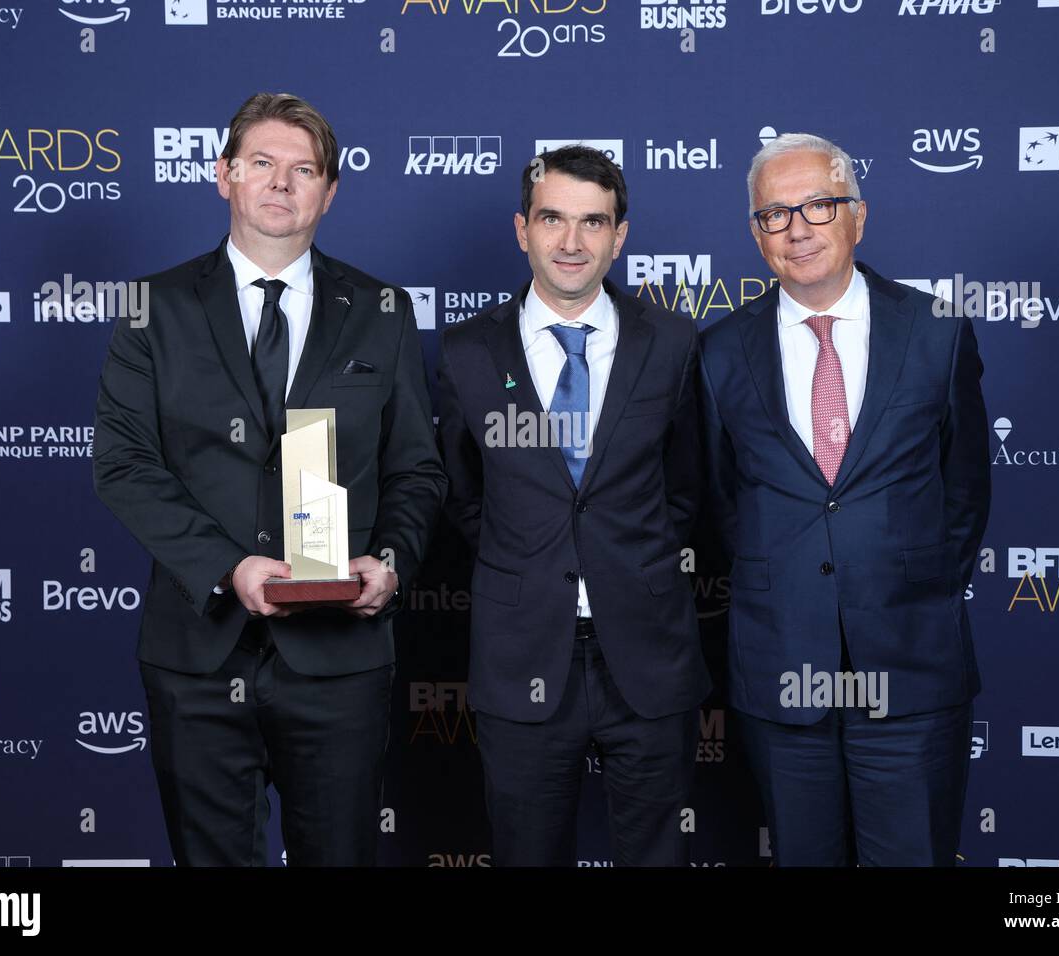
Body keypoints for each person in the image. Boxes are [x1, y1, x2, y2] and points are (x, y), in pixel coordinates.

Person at [92, 92, 446, 866]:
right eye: (261, 164)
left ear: (330, 190)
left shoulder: (382, 310)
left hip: (340, 654)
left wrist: (389, 562)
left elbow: (416, 467)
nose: (281, 184)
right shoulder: (153, 308)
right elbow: (124, 465)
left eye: (304, 169)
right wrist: (229, 567)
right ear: (224, 176)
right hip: (198, 651)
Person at [698, 133, 991, 866]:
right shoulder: (719, 350)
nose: (798, 228)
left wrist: (903, 581)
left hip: (911, 665)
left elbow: (965, 490)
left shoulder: (935, 331)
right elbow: (721, 498)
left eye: (819, 206)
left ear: (859, 214)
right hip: (782, 670)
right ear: (756, 233)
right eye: (775, 214)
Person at [437, 145, 711, 866]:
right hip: (521, 650)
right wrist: (533, 553)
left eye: (594, 222)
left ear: (619, 237)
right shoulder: (465, 351)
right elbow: (462, 494)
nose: (571, 241)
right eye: (553, 218)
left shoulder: (674, 341)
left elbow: (687, 487)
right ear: (522, 227)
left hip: (647, 657)